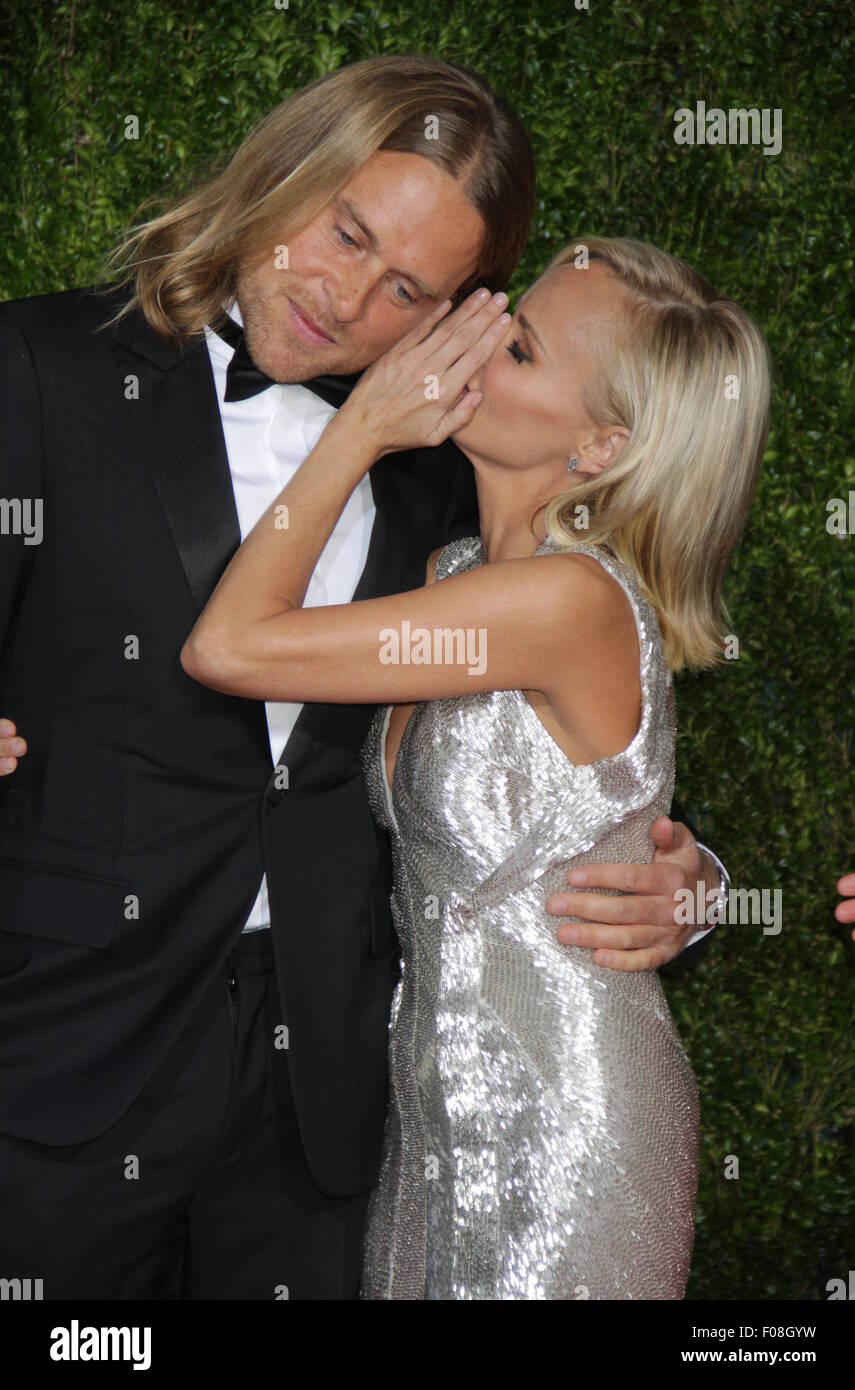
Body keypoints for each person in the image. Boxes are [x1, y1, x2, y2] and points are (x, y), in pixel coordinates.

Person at [0, 55, 724, 1299]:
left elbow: (577, 747)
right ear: (287, 169)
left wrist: (688, 877)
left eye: (408, 290)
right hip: (67, 1055)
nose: (344, 301)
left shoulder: (455, 467)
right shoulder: (39, 367)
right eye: (342, 234)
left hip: (335, 1108)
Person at [181, 235, 770, 1297]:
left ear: (598, 446)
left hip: (567, 1118)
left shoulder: (561, 602)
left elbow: (228, 647)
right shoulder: (453, 565)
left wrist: (356, 430)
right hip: (425, 1108)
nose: (473, 341)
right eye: (504, 311)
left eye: (521, 348)